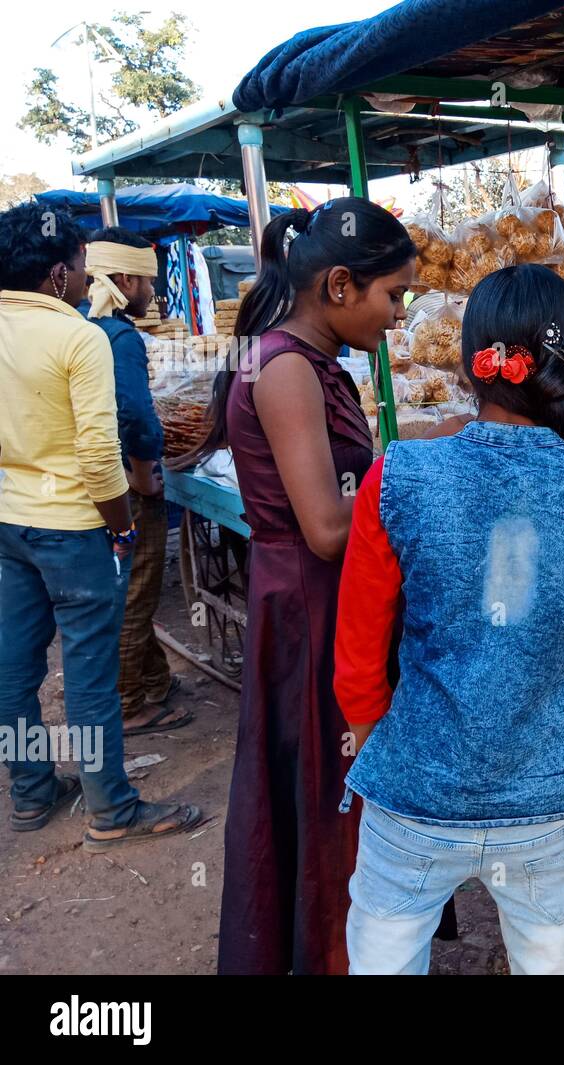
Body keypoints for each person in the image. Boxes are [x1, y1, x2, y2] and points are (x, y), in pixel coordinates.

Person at [334, 263, 564, 976]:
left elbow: (358, 667)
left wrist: (377, 737)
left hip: (416, 791)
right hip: (551, 807)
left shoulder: (394, 476)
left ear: (472, 364)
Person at [178, 198, 417, 975]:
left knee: (325, 793)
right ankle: (332, 952)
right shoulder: (285, 368)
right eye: (394, 295)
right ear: (342, 284)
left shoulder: (312, 363)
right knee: (325, 796)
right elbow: (325, 524)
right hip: (312, 607)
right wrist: (416, 473)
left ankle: (342, 946)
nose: (399, 315)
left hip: (318, 602)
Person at [0, 201, 201, 847]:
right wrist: (119, 526)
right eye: (83, 269)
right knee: (89, 672)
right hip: (72, 525)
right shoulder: (77, 336)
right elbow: (97, 451)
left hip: (8, 521)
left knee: (12, 670)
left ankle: (31, 792)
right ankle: (110, 806)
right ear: (58, 274)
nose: (90, 282)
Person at [83, 227, 190, 736]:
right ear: (125, 278)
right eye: (147, 280)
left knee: (125, 586)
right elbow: (136, 416)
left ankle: (155, 679)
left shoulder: (83, 324)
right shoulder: (120, 337)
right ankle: (129, 704)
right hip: (128, 483)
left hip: (91, 484)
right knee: (138, 590)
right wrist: (147, 475)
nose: (153, 291)